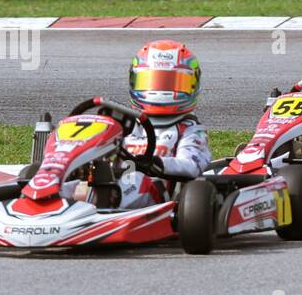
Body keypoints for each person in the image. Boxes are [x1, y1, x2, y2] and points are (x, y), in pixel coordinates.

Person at [67, 39, 212, 207]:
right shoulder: (126, 124)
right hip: (110, 183)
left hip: (156, 196)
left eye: (171, 82)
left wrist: (155, 163)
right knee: (73, 183)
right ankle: (48, 201)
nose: (159, 91)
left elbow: (191, 166)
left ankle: (104, 202)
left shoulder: (190, 130)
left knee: (136, 178)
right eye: (152, 81)